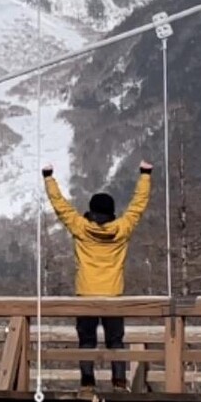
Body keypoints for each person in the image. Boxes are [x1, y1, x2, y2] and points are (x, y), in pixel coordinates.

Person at [43, 160, 152, 390]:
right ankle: (120, 383)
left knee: (86, 340)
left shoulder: (81, 227)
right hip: (113, 294)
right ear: (111, 213)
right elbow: (138, 205)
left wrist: (48, 178)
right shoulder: (121, 229)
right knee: (115, 342)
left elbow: (60, 206)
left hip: (86, 293)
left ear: (91, 211)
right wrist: (145, 174)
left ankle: (87, 382)